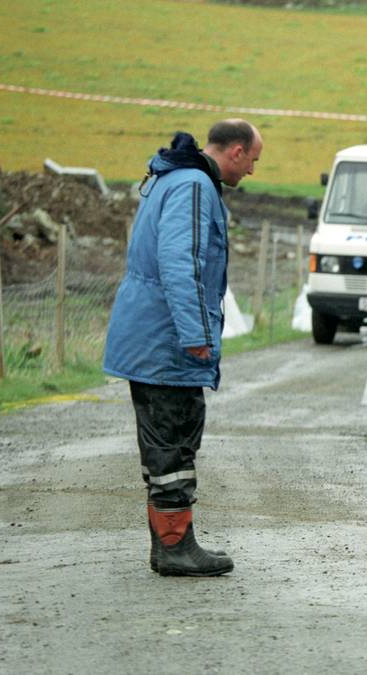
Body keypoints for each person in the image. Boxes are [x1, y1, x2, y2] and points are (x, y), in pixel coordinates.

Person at [104, 119, 263, 576]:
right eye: (253, 159)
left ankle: (169, 544)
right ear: (235, 151)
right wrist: (196, 335)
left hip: (152, 335)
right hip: (165, 341)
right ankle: (175, 547)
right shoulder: (194, 186)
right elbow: (180, 264)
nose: (253, 169)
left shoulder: (175, 178)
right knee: (173, 443)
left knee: (164, 445)